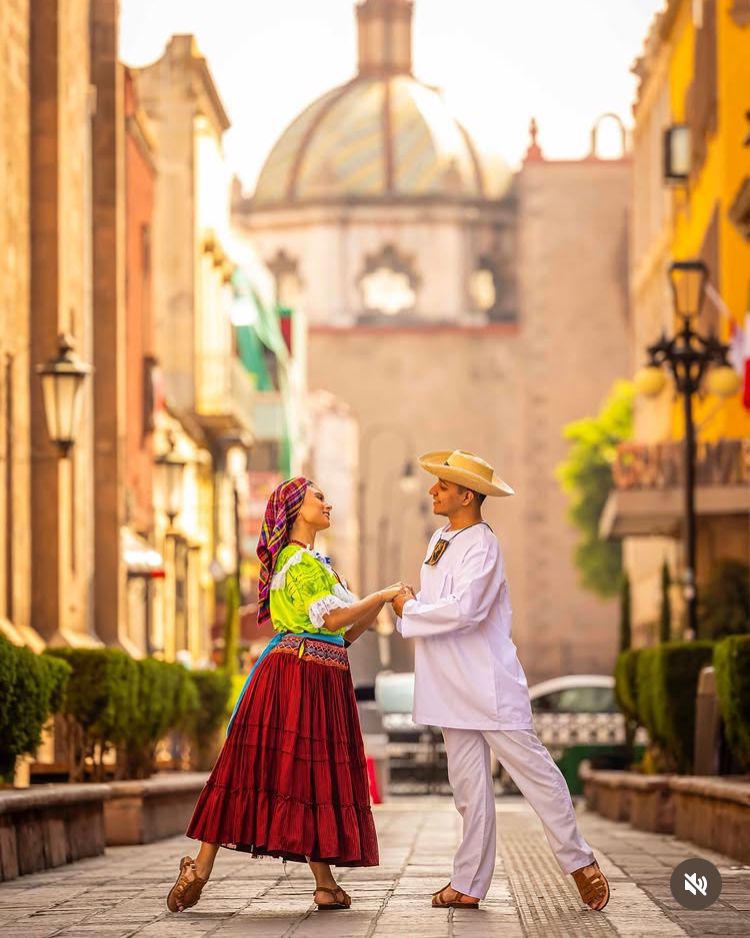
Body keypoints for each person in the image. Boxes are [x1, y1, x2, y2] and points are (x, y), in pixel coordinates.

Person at [167, 477, 403, 913]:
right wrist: (383, 594)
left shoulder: (321, 565)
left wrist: (380, 602)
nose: (327, 503)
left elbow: (348, 630)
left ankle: (325, 884)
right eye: (319, 497)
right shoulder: (296, 563)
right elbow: (331, 621)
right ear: (296, 509)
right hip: (292, 677)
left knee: (309, 777)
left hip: (320, 677)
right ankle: (199, 868)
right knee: (251, 770)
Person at [392, 450, 610, 912]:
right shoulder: (440, 538)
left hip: (487, 684)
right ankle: (468, 883)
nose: (433, 490)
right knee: (469, 791)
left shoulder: (483, 544)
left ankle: (580, 862)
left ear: (466, 495)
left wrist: (409, 609)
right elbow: (439, 602)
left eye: (442, 486)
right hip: (450, 686)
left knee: (535, 773)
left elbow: (466, 610)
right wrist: (413, 602)